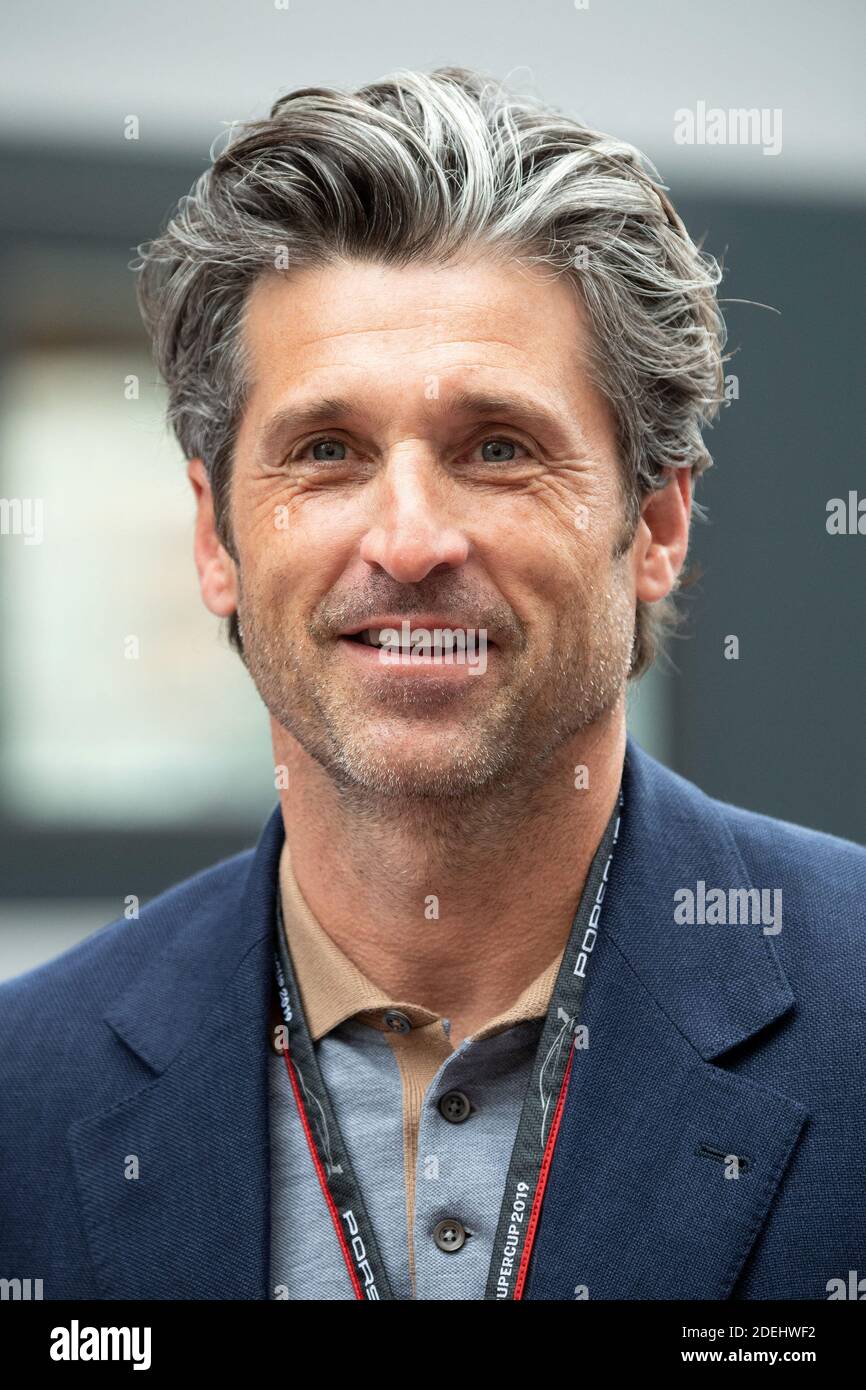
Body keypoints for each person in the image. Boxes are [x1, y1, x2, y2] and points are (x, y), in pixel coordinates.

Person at [1, 67, 864, 1302]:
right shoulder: (22, 1094)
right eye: (325, 451)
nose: (408, 540)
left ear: (657, 520)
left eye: (497, 448)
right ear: (215, 537)